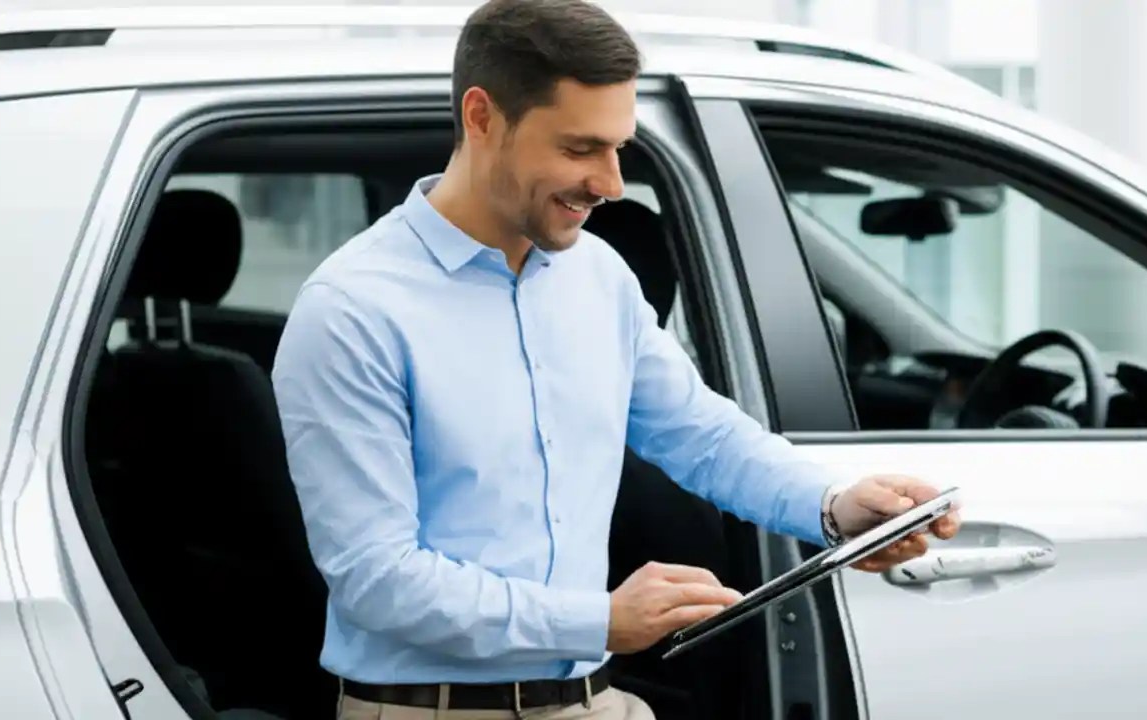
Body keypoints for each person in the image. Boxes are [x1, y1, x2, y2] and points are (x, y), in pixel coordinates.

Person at [270, 1, 960, 718]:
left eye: (618, 148)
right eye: (579, 149)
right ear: (481, 117)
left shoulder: (599, 279)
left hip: (596, 703)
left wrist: (833, 507)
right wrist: (597, 621)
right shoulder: (352, 311)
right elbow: (378, 580)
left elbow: (703, 436)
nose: (611, 182)